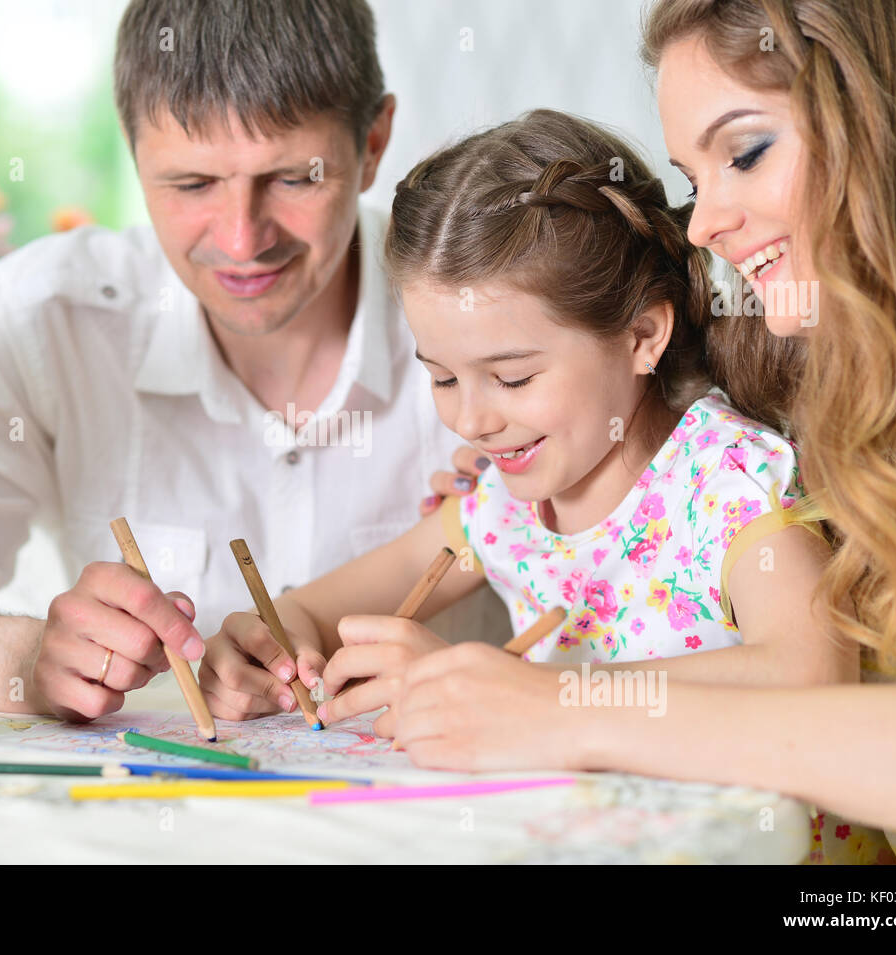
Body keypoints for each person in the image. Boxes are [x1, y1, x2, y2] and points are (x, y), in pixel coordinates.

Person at [401, 0, 896, 857]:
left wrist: (568, 706)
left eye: (746, 152)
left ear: (891, 123)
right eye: (696, 181)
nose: (701, 225)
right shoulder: (832, 403)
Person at [0, 0, 505, 721]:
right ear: (134, 154)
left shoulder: (503, 316)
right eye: (192, 185)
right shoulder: (45, 317)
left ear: (374, 144)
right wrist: (25, 661)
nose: (241, 240)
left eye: (293, 178)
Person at [197, 108, 854, 730]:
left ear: (642, 336)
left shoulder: (728, 482)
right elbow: (309, 611)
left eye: (513, 377)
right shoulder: (503, 506)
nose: (472, 419)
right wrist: (265, 643)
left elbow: (812, 673)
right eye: (444, 377)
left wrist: (517, 693)